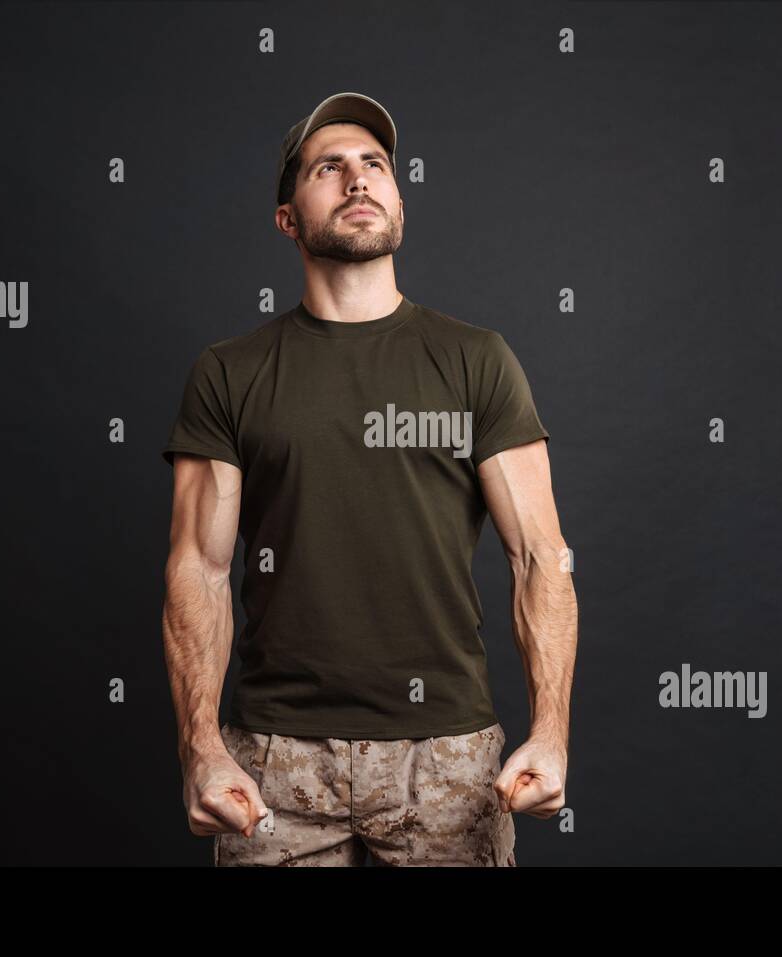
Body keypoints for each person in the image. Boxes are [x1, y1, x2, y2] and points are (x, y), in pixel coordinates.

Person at [160, 92, 577, 866]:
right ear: (288, 218)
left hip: (448, 765)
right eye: (329, 168)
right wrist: (201, 748)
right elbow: (200, 568)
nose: (358, 181)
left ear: (398, 201)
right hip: (273, 773)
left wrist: (551, 734)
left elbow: (540, 558)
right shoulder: (229, 372)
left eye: (374, 166)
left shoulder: (476, 359)